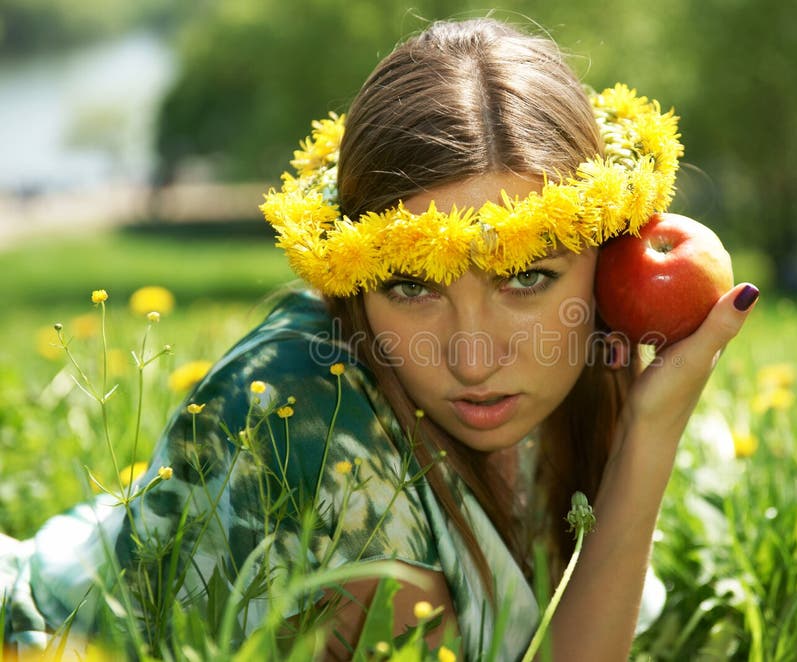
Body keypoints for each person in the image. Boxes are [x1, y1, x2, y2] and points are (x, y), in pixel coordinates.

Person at [1, 17, 758, 661]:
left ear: (611, 258)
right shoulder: (307, 426)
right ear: (352, 280)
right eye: (411, 286)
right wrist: (647, 443)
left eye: (527, 278)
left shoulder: (588, 369)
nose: (472, 358)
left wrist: (647, 424)